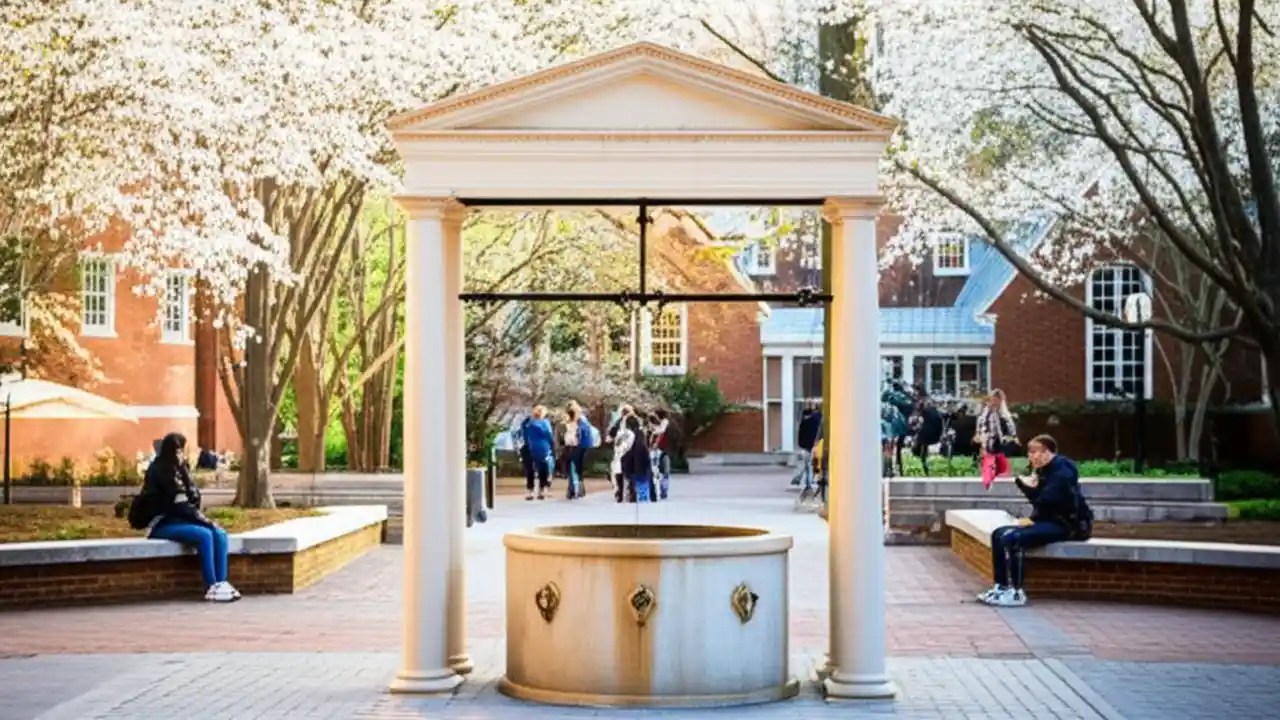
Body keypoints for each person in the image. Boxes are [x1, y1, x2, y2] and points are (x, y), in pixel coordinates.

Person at [979, 435, 1090, 607]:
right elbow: (1040, 503)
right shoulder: (1044, 470)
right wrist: (1025, 486)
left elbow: (1045, 500)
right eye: (1029, 453)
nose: (1031, 457)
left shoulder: (1062, 473)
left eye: (1035, 452)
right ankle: (1001, 587)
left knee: (1013, 538)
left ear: (1047, 452)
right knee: (998, 534)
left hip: (1066, 525)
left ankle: (1016, 592)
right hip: (1047, 520)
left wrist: (1028, 488)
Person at [131, 432, 239, 602]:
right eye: (177, 451)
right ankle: (211, 585)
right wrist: (206, 522)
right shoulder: (159, 471)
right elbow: (179, 507)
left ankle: (221, 583)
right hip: (162, 523)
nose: (181, 454)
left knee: (220, 534)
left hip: (183, 519)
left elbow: (192, 500)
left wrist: (186, 477)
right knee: (205, 535)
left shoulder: (181, 470)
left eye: (181, 450)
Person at [976, 389, 1018, 489]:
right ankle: (987, 483)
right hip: (989, 441)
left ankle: (1002, 483)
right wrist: (981, 436)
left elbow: (1010, 427)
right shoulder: (986, 414)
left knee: (1001, 465)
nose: (994, 402)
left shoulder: (1004, 414)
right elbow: (981, 425)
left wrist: (1012, 437)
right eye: (993, 399)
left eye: (997, 400)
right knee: (988, 463)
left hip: (1001, 442)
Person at [521, 406, 555, 501]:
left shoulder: (528, 422)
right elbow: (549, 435)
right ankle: (541, 491)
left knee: (530, 470)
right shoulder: (545, 423)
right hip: (543, 447)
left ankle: (530, 491)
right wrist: (552, 447)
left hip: (530, 447)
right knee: (542, 469)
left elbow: (524, 433)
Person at [620, 414, 653, 502]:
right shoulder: (640, 436)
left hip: (633, 467)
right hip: (641, 467)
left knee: (637, 489)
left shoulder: (628, 436)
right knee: (643, 490)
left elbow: (625, 452)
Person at [608, 404, 635, 503]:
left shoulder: (619, 422)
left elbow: (611, 434)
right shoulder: (635, 421)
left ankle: (619, 493)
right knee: (630, 472)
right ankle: (631, 493)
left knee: (618, 471)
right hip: (631, 450)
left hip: (620, 451)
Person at [794, 407, 823, 489]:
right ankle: (811, 481)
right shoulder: (816, 421)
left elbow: (801, 435)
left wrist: (801, 445)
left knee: (808, 465)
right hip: (815, 445)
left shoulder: (805, 423)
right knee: (812, 464)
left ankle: (808, 483)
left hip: (808, 446)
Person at [647, 409, 671, 500]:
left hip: (663, 451)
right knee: (657, 471)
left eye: (656, 416)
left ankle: (663, 490)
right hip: (656, 451)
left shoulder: (665, 423)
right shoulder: (656, 425)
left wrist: (652, 428)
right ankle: (658, 490)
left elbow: (661, 430)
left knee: (664, 472)